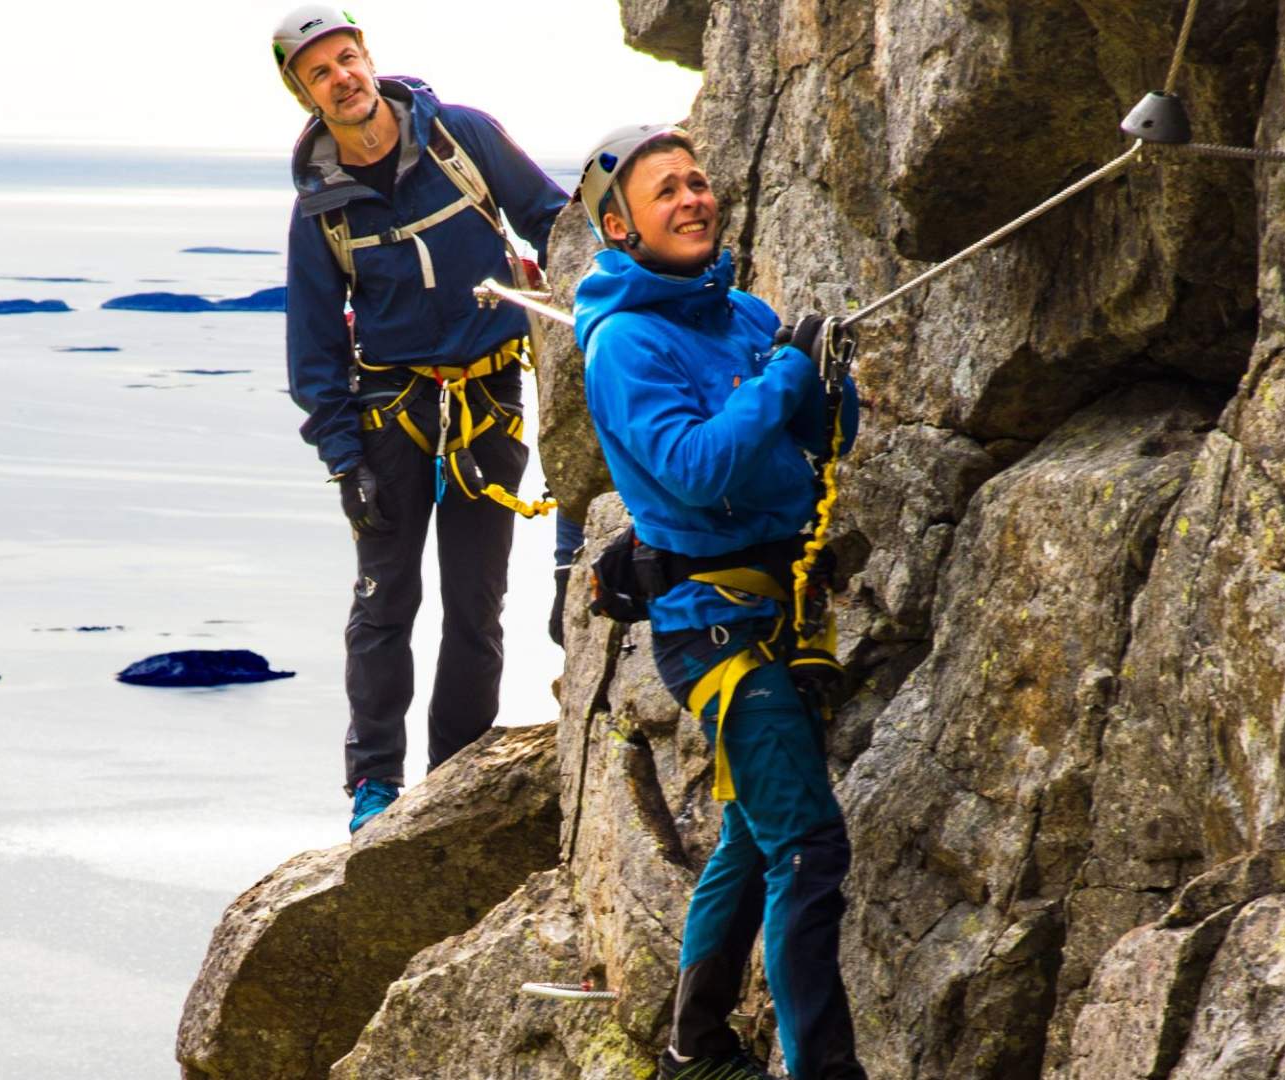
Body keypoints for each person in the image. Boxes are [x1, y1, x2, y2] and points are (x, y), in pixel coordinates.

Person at [571, 123, 868, 1080]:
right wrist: (786, 373)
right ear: (621, 228)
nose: (694, 198)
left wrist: (828, 381)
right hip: (712, 627)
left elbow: (815, 441)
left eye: (697, 182)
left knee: (753, 832)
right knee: (807, 845)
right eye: (668, 192)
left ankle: (694, 1047)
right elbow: (696, 471)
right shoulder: (623, 345)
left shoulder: (743, 313)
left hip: (779, 609)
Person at [272, 5, 568, 833]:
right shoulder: (320, 208)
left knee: (476, 599)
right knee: (384, 598)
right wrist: (343, 461)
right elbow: (315, 348)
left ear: (370, 58)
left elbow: (550, 219)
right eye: (320, 71)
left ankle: (456, 773)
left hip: (487, 401)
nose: (343, 76)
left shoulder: (461, 140)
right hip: (389, 416)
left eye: (348, 57)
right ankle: (374, 787)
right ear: (306, 93)